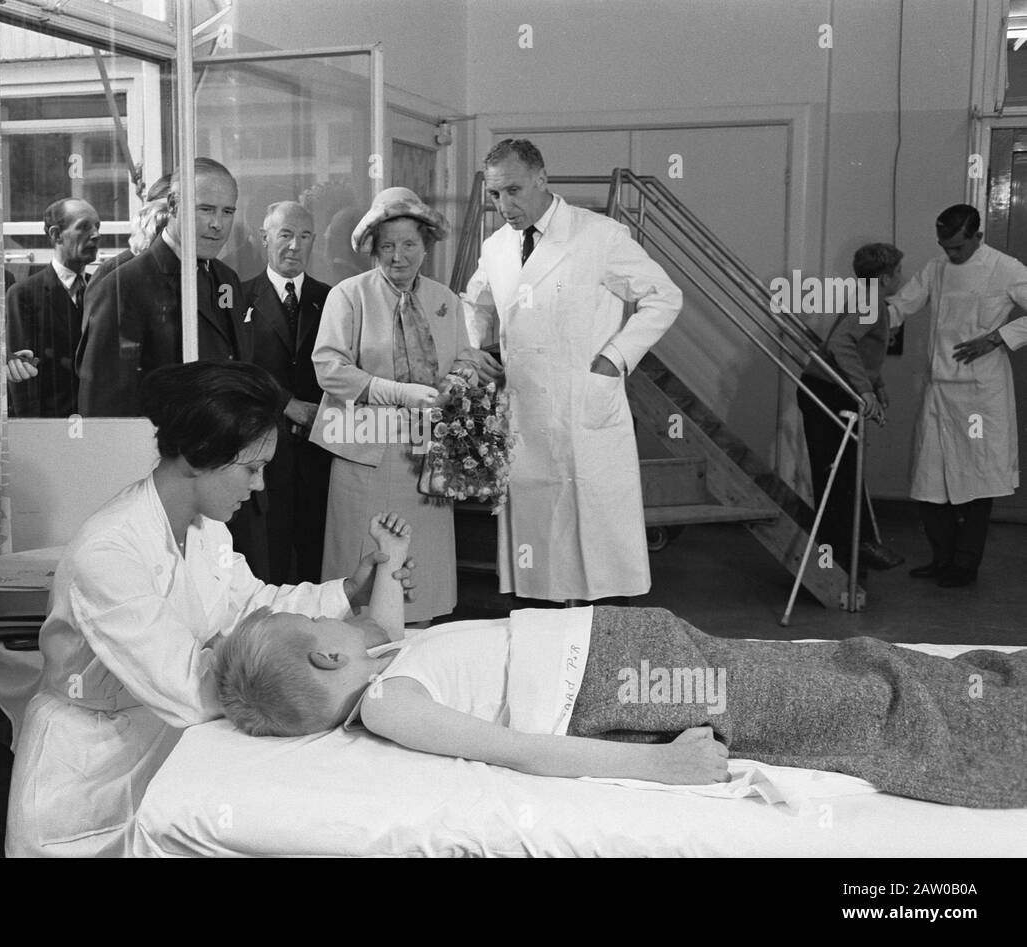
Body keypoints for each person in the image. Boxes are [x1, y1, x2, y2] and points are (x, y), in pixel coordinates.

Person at [213, 521, 1027, 809]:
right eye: (308, 616)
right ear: (324, 651)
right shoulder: (389, 704)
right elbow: (524, 751)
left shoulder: (385, 663)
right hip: (615, 681)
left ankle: (967, 694)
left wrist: (389, 562)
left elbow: (380, 624)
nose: (335, 615)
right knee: (827, 703)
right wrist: (660, 768)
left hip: (623, 647)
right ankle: (985, 721)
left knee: (826, 673)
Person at [5, 361, 416, 857]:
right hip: (87, 771)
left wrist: (350, 591)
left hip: (162, 749)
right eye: (252, 469)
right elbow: (188, 688)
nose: (260, 486)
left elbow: (253, 606)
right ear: (200, 458)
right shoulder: (108, 552)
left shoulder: (205, 528)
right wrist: (303, 677)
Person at [461, 139, 682, 605]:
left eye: (515, 191)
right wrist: (471, 349)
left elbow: (664, 296)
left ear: (542, 179)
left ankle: (589, 632)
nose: (505, 206)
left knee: (591, 537)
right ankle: (547, 628)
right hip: (524, 407)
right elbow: (473, 302)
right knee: (538, 544)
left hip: (582, 400)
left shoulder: (598, 236)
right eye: (496, 195)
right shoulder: (497, 246)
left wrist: (615, 358)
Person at [310, 187, 498, 623]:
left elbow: (465, 358)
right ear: (373, 249)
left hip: (426, 457)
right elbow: (328, 368)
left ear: (426, 247)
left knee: (423, 570)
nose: (399, 256)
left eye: (410, 244)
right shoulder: (349, 295)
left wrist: (457, 380)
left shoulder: (444, 301)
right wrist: (396, 392)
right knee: (363, 564)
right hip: (364, 452)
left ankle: (417, 653)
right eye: (388, 246)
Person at [887, 204, 1027, 588]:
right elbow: (902, 305)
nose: (951, 254)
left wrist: (998, 337)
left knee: (977, 481)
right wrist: (863, 319)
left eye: (958, 248)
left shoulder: (1005, 268)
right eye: (945, 246)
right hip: (939, 392)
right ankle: (942, 557)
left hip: (979, 398)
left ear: (977, 237)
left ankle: (965, 564)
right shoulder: (936, 269)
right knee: (929, 480)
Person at [76, 157, 253, 418]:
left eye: (227, 211)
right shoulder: (123, 285)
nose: (218, 224)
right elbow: (103, 402)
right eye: (205, 209)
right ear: (172, 205)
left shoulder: (226, 278)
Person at [796, 243, 906, 573]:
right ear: (886, 276)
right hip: (828, 392)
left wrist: (877, 385)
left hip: (832, 388)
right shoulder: (871, 302)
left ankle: (857, 546)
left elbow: (863, 351)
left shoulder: (867, 298)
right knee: (837, 474)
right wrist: (865, 391)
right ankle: (845, 551)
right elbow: (841, 344)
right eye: (899, 271)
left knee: (843, 472)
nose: (902, 277)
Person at [243, 201, 333, 583]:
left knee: (319, 551)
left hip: (321, 451)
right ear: (265, 238)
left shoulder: (332, 298)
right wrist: (287, 405)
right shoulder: (239, 297)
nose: (295, 245)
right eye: (285, 235)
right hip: (263, 451)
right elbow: (238, 370)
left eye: (304, 236)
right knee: (268, 553)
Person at [6, 197, 100, 417]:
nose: (96, 235)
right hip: (52, 425)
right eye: (84, 227)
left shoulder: (102, 288)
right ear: (56, 235)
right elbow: (22, 376)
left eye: (98, 226)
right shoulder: (24, 295)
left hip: (99, 422)